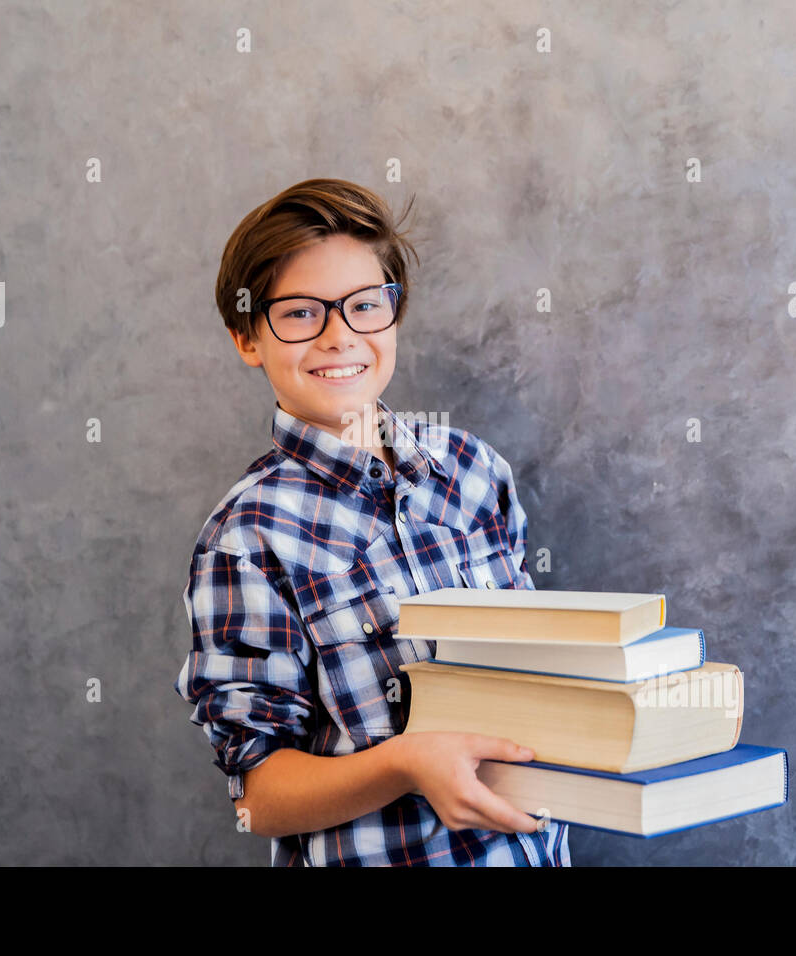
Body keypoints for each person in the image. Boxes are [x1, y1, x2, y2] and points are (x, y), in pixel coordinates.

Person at [175, 178, 570, 866]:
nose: (340, 336)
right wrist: (404, 763)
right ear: (247, 337)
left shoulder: (475, 472)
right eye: (300, 314)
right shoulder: (247, 537)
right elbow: (260, 796)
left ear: (394, 314)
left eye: (364, 306)